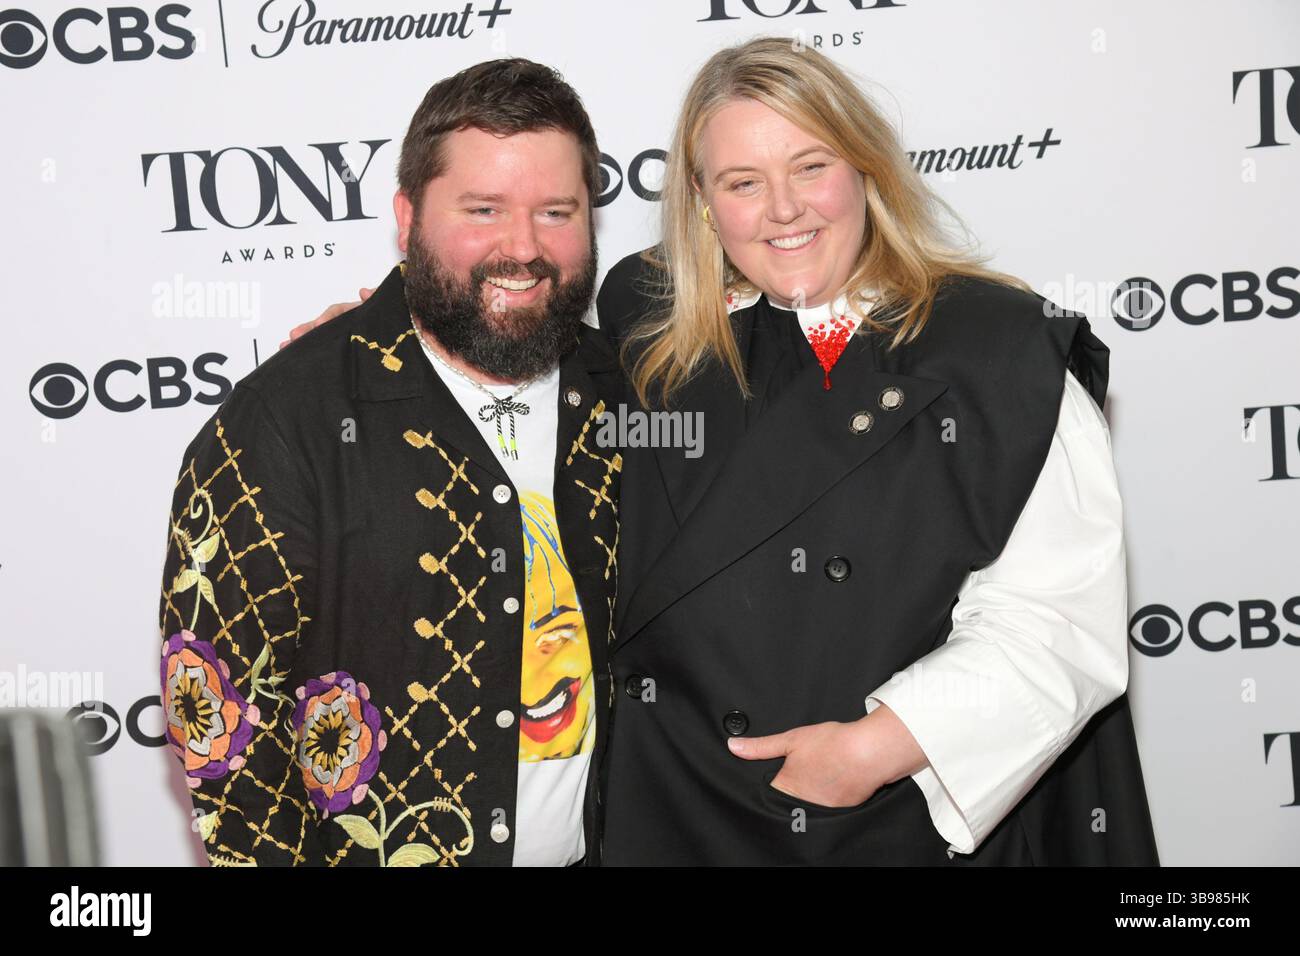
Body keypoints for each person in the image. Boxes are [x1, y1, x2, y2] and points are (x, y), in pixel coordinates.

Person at [295, 38, 1159, 866]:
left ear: (866, 170)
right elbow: (510, 320)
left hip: (877, 821)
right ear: (704, 203)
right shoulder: (648, 315)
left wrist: (875, 749)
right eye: (744, 182)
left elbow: (1057, 624)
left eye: (811, 167)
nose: (783, 209)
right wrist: (381, 332)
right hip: (669, 814)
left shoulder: (1000, 352)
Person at [156, 59, 622, 867]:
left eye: (557, 211)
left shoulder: (626, 393)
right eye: (483, 210)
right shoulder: (282, 425)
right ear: (407, 218)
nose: (524, 248)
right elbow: (218, 733)